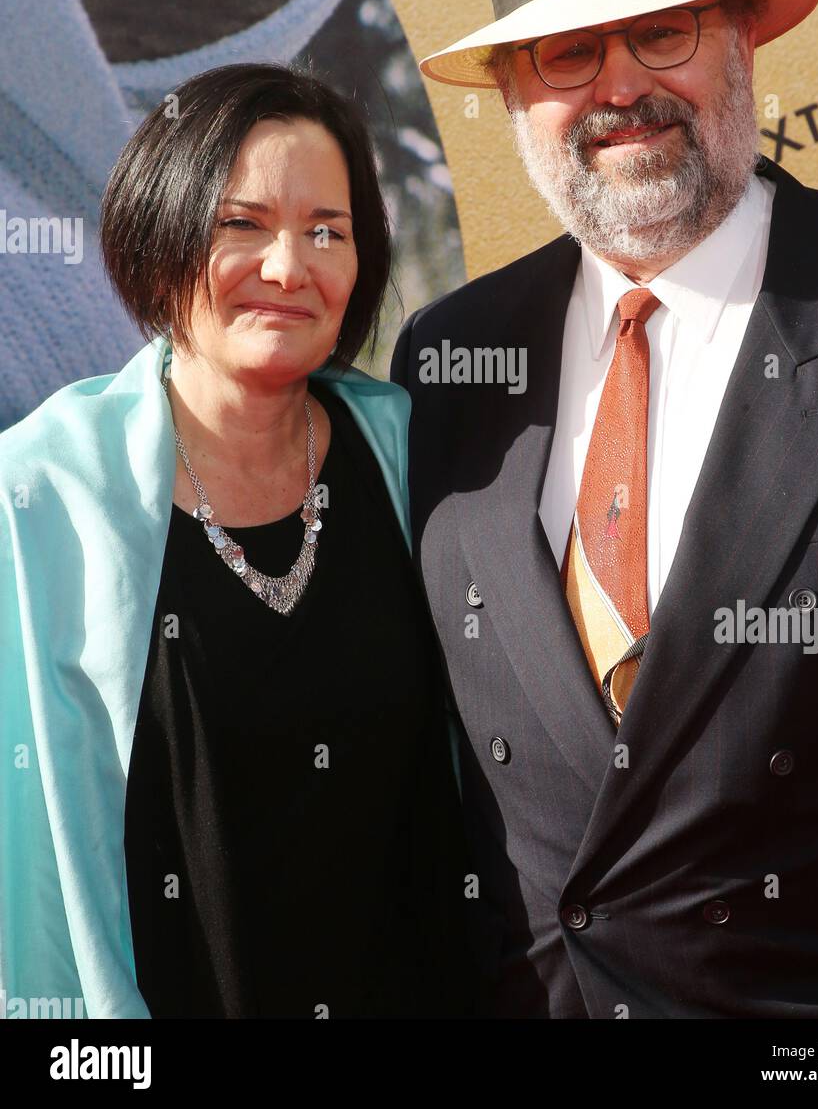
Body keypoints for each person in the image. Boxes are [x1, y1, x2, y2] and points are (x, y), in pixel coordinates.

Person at [391, 0, 818, 1018]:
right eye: (568, 52)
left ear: (742, 39)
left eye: (662, 33)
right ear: (511, 96)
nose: (621, 85)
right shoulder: (447, 359)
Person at [0, 62, 473, 1019]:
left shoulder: (420, 455)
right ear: (159, 236)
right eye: (241, 225)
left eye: (326, 233)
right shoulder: (40, 496)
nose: (289, 268)